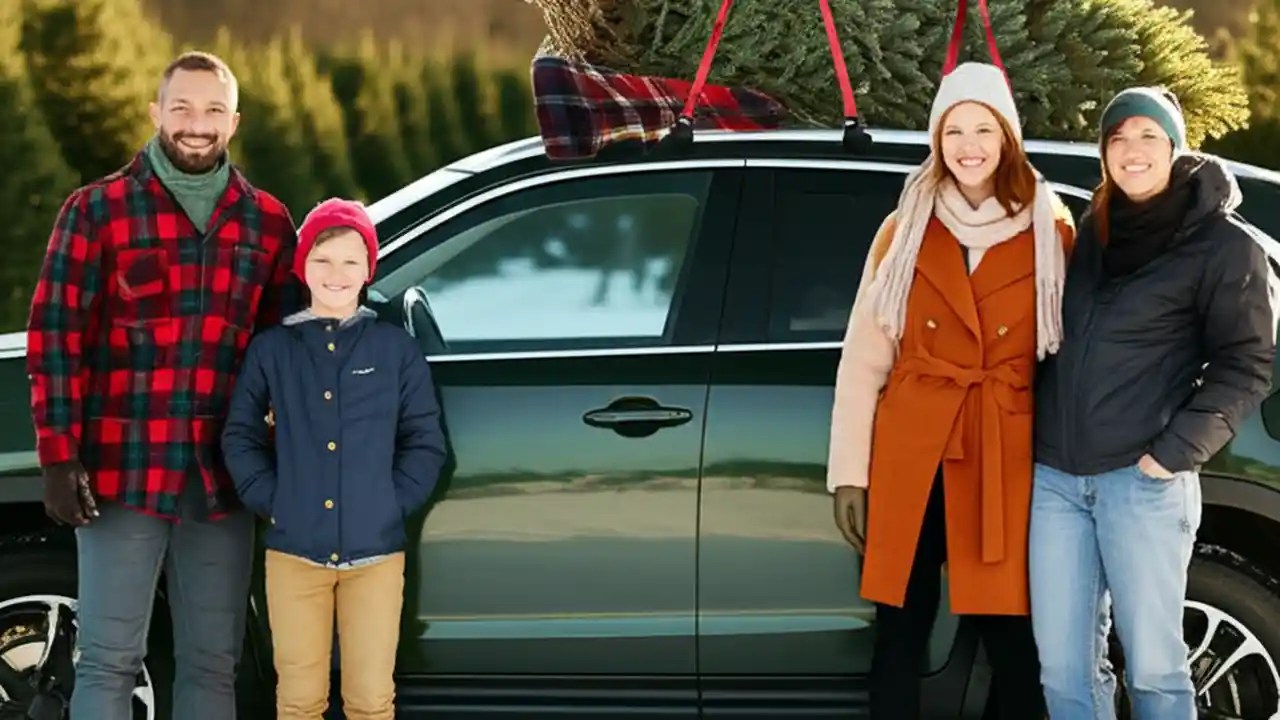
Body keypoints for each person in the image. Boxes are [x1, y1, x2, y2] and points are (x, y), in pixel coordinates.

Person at [24, 50, 298, 719]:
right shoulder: (96, 211)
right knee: (110, 661)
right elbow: (54, 336)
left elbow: (284, 352)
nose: (195, 124)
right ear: (155, 114)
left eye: (211, 110)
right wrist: (60, 458)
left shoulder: (267, 224)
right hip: (122, 476)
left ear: (234, 120)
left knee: (213, 663)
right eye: (181, 108)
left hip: (221, 480)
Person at [825, 61, 1076, 719]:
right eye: (953, 129)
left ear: (1007, 138)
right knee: (899, 631)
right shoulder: (902, 229)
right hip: (913, 451)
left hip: (1002, 451)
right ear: (936, 139)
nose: (968, 145)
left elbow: (1076, 354)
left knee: (1013, 640)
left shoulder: (1052, 232)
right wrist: (850, 474)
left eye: (983, 129)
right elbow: (864, 358)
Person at [1029, 87, 1277, 720]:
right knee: (1064, 669)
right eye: (1118, 138)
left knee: (1156, 669)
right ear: (1105, 151)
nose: (1132, 151)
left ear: (1174, 146)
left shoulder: (1225, 246)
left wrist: (1172, 453)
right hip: (1057, 479)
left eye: (1148, 137)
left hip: (1141, 482)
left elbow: (1248, 362)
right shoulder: (1092, 231)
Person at [222, 198, 447, 720]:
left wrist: (390, 504)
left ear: (369, 268)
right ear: (302, 267)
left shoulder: (395, 351)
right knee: (298, 700)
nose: (336, 274)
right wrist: (273, 501)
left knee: (370, 700)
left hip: (376, 559)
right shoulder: (272, 350)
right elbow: (240, 435)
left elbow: (424, 441)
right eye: (322, 260)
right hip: (293, 557)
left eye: (350, 261)